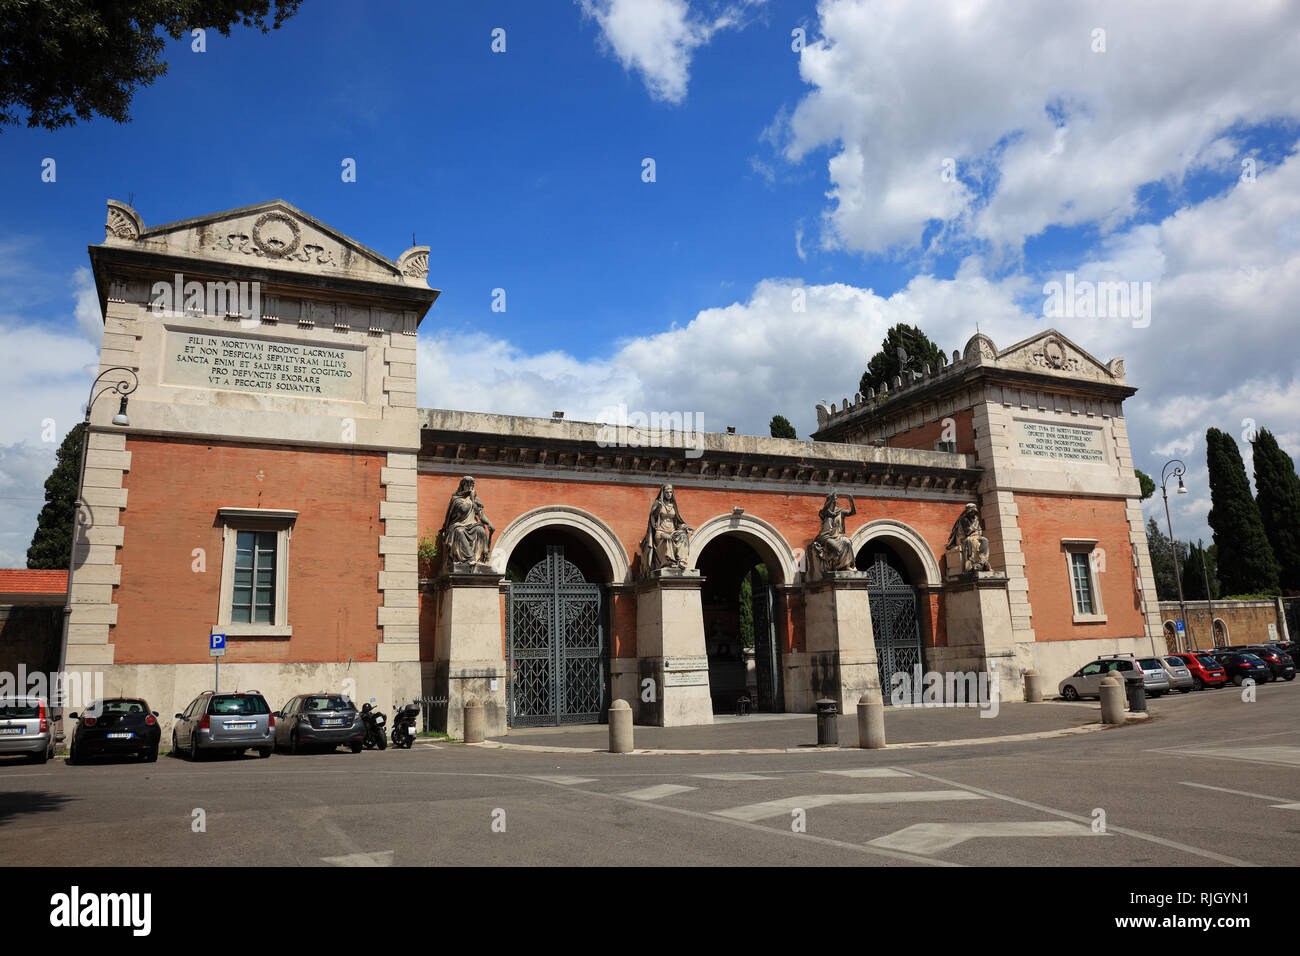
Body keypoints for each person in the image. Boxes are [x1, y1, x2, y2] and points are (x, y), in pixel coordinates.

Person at [439, 476, 494, 566]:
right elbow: (462, 511)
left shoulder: (476, 500)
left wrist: (489, 523)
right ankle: (469, 559)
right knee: (459, 531)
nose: (469, 486)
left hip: (473, 524)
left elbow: (481, 515)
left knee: (480, 530)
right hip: (458, 524)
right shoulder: (456, 499)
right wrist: (472, 500)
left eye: (471, 484)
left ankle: (478, 559)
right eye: (467, 484)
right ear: (462, 485)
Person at [640, 484, 691, 573]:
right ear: (663, 493)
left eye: (671, 492)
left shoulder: (673, 505)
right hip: (660, 532)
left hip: (672, 531)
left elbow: (678, 520)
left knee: (683, 536)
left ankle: (682, 561)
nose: (669, 494)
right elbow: (653, 518)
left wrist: (685, 527)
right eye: (667, 492)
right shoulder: (658, 503)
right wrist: (657, 509)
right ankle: (669, 562)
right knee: (667, 538)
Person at [811, 492, 856, 574]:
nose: (836, 501)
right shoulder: (824, 512)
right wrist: (830, 500)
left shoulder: (840, 511)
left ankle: (847, 566)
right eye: (834, 499)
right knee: (836, 548)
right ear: (830, 501)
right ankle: (835, 566)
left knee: (847, 542)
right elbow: (825, 509)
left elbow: (852, 512)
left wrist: (851, 501)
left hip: (839, 536)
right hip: (826, 537)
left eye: (836, 499)